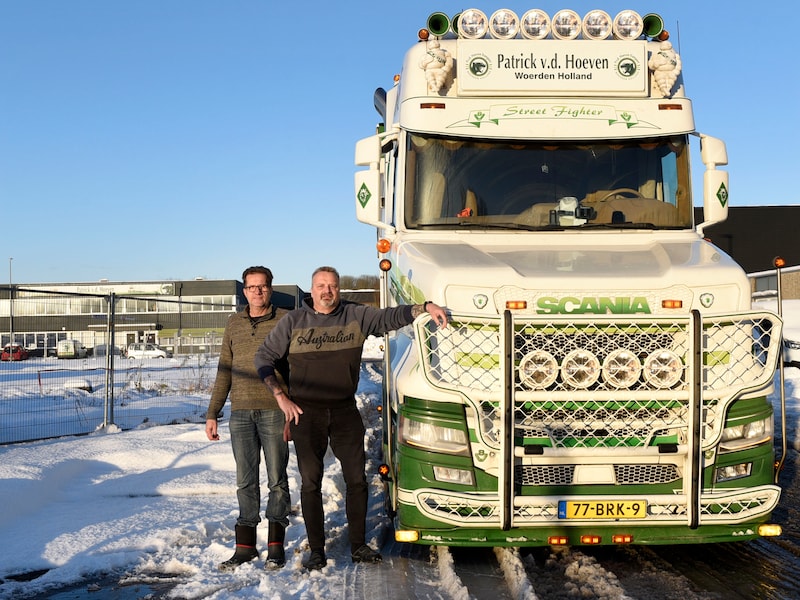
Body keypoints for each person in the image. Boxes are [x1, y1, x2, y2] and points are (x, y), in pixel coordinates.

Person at [254, 266, 448, 570]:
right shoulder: (293, 321)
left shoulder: (355, 316)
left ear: (339, 289)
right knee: (310, 483)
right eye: (321, 285)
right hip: (307, 413)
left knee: (357, 480)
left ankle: (358, 545)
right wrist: (281, 397)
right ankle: (317, 550)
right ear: (312, 289)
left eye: (332, 286)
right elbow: (263, 358)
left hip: (344, 410)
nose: (327, 291)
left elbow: (389, 317)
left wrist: (424, 307)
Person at [205, 266, 292, 571]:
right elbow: (224, 369)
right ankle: (245, 548)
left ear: (271, 289)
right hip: (240, 413)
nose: (257, 291)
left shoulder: (285, 320)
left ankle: (276, 546)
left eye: (263, 286)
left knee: (277, 480)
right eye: (251, 286)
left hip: (274, 411)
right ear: (244, 291)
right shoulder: (234, 324)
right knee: (245, 481)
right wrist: (213, 413)